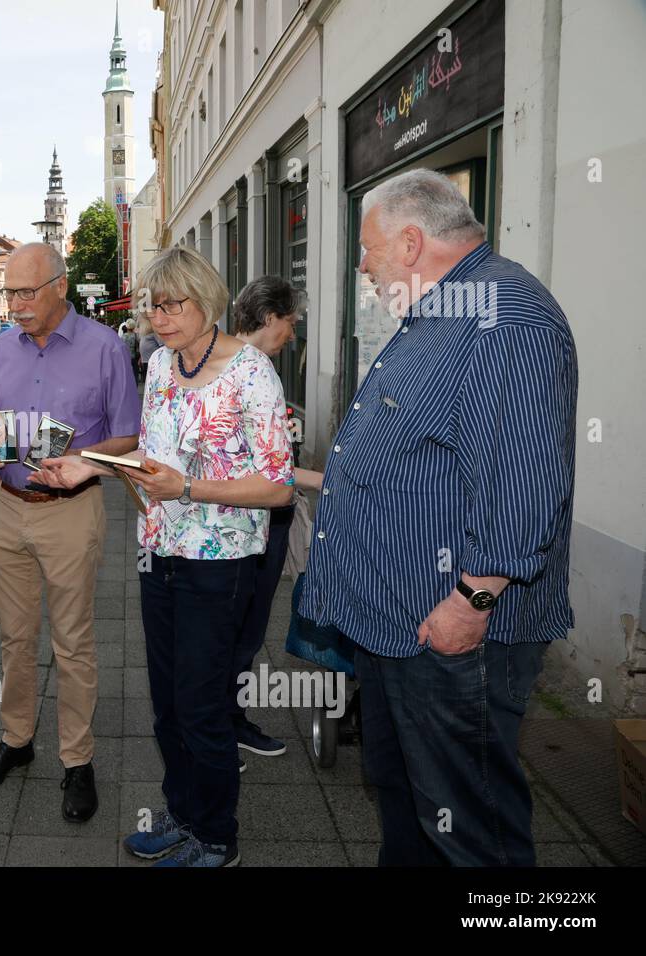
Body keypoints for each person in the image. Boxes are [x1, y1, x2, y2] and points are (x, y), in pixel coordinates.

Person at [298, 169, 578, 867]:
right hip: (401, 628)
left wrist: (472, 599)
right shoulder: (442, 313)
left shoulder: (503, 318)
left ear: (412, 241)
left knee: (470, 832)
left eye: (368, 249)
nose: (361, 266)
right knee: (408, 802)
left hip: (452, 635)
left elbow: (522, 487)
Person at [38, 247, 295, 866]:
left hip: (221, 560)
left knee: (203, 707)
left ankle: (216, 836)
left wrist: (188, 489)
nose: (160, 316)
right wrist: (88, 465)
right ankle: (182, 816)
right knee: (168, 704)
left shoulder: (251, 371)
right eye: (154, 305)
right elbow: (151, 465)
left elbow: (278, 486)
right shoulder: (157, 367)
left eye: (173, 303)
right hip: (159, 554)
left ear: (205, 298)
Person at [0, 242, 141, 823]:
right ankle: (17, 742)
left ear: (60, 286)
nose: (14, 304)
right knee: (15, 637)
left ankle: (78, 760)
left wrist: (79, 456)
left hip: (70, 511)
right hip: (5, 505)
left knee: (73, 642)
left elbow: (129, 437)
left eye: (26, 292)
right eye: (8, 292)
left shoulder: (105, 348)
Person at [227, 277, 324, 760]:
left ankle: (227, 722)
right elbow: (263, 471)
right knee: (240, 627)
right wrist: (322, 480)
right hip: (253, 523)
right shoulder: (250, 371)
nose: (293, 331)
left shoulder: (242, 365)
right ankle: (223, 731)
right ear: (269, 318)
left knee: (244, 626)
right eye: (291, 321)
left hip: (260, 519)